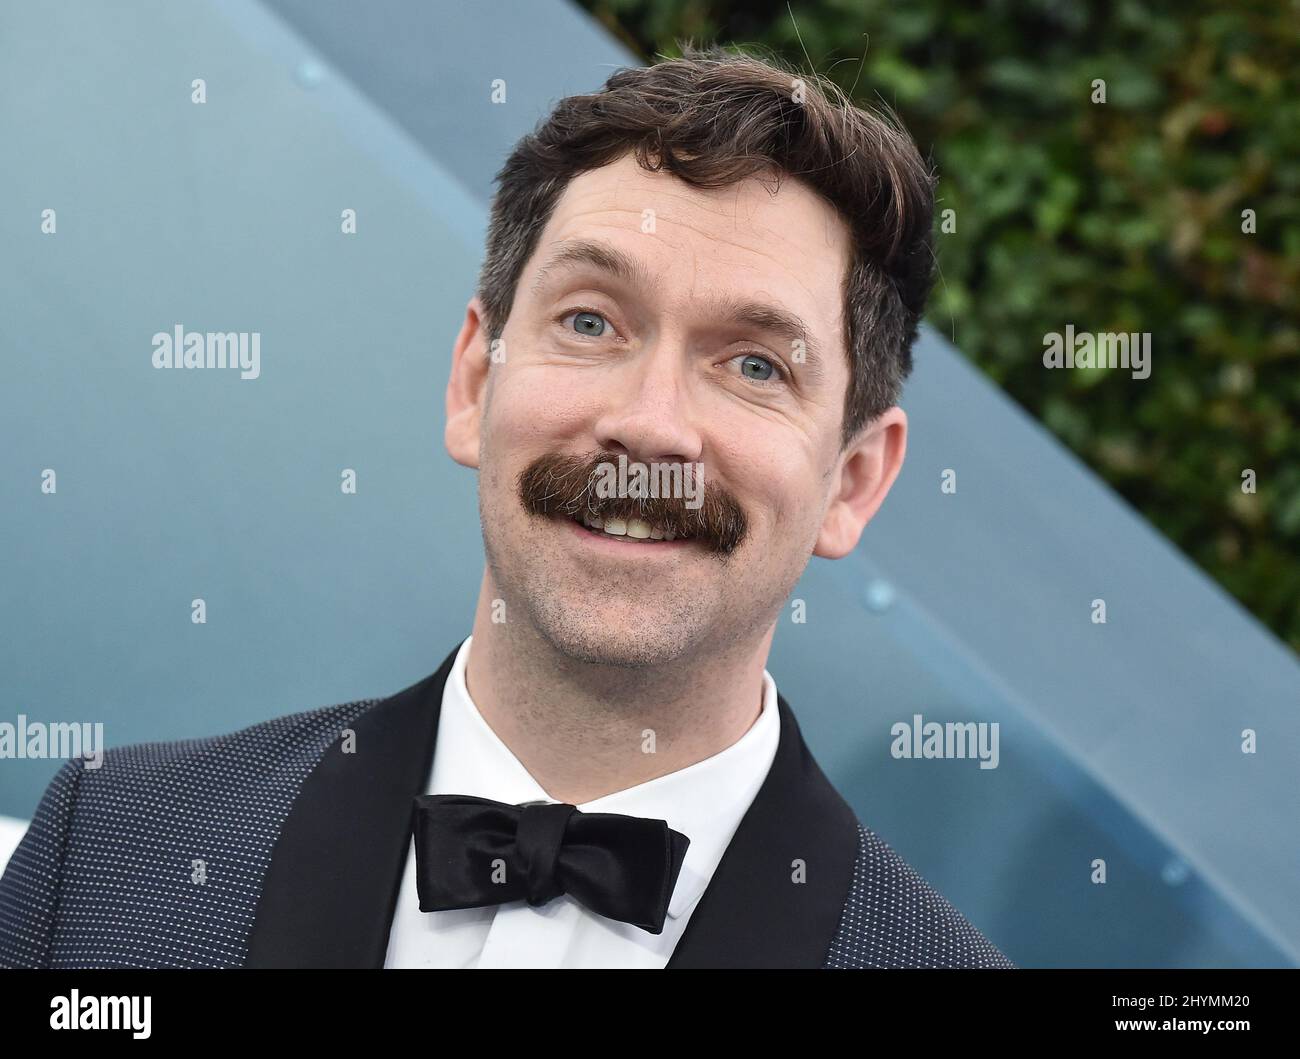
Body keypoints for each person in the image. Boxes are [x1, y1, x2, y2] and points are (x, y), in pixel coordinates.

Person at [0, 44, 1013, 969]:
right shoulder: (107, 856)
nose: (649, 425)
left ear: (853, 483)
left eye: (753, 363)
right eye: (590, 320)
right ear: (473, 384)